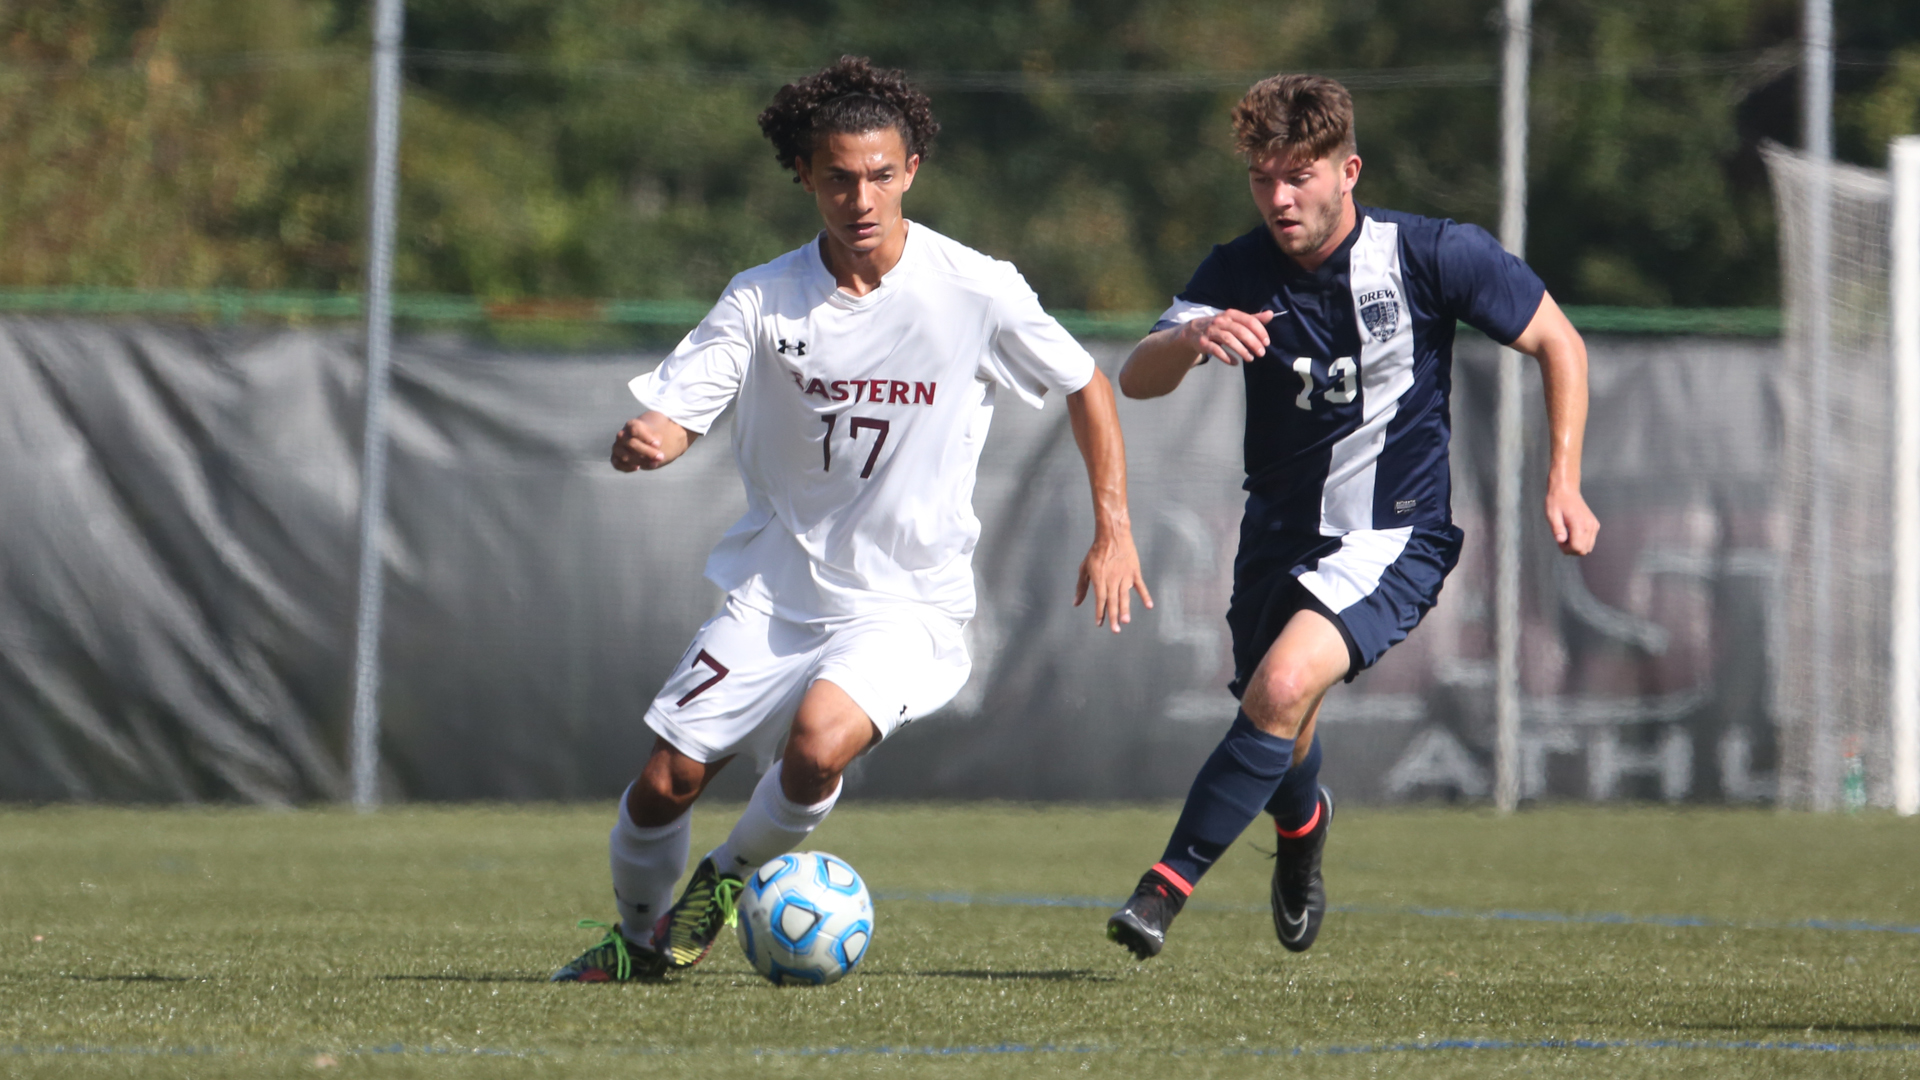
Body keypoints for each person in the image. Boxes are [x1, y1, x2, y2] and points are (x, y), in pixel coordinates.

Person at [553, 56, 1152, 982]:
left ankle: (721, 885)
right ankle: (637, 946)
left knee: (818, 743)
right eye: (838, 176)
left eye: (879, 174)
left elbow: (1086, 384)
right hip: (774, 587)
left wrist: (1113, 527)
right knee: (666, 781)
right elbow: (682, 409)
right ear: (805, 175)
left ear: (911, 168)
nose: (860, 196)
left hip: (906, 602)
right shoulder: (762, 295)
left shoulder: (975, 287)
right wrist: (656, 439)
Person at [1105, 74, 1598, 960]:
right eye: (1263, 179)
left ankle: (1160, 892)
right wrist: (1189, 337)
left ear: (1349, 170)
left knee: (1286, 687)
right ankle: (1302, 832)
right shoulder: (1237, 269)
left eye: (1299, 175)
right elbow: (1135, 376)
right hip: (1279, 532)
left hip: (1395, 532)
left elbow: (1558, 341)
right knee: (1275, 710)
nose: (1280, 198)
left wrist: (1564, 481)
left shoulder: (1432, 254)